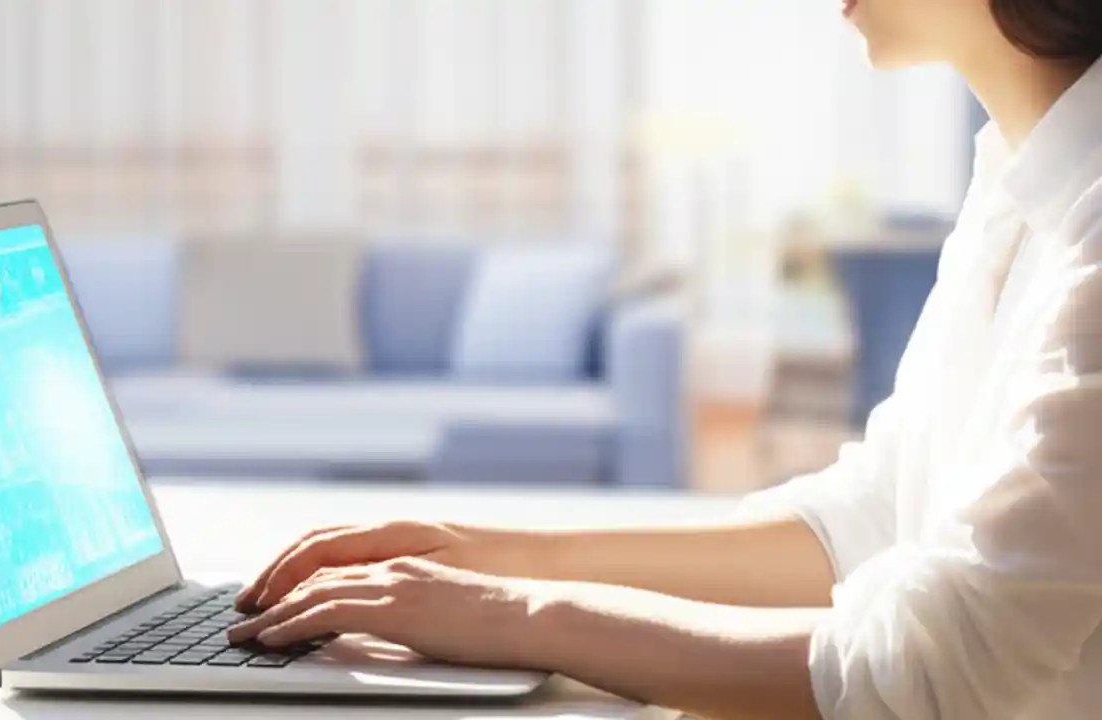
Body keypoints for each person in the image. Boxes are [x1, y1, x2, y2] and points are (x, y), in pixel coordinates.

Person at [226, 1, 1102, 717]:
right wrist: (490, 557)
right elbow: (877, 519)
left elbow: (943, 663)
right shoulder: (1019, 174)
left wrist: (520, 616)